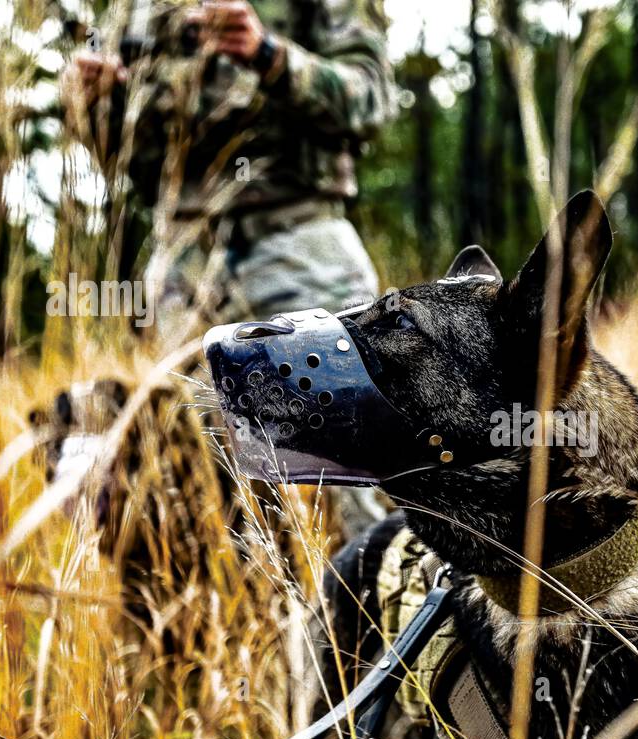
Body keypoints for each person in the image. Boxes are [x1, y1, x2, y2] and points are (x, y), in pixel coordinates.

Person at [62, 0, 394, 534]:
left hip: (299, 248)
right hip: (184, 266)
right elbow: (135, 166)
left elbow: (371, 102)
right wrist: (99, 108)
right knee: (209, 482)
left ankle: (367, 613)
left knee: (344, 484)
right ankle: (256, 617)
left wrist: (267, 53)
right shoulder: (142, 13)